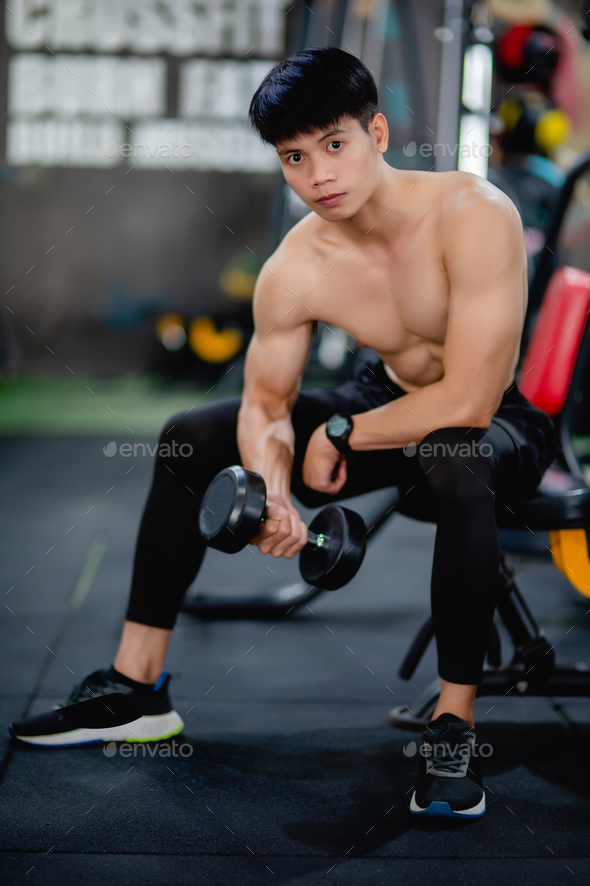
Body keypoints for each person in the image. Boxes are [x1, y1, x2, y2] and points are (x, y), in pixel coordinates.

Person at [10, 47, 560, 820]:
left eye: (334, 145)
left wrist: (340, 432)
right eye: (295, 158)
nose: (319, 175)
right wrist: (272, 494)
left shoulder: (474, 215)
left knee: (453, 455)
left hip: (496, 423)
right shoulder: (298, 263)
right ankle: (138, 688)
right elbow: (266, 406)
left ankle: (453, 725)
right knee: (187, 435)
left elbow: (467, 398)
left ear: (376, 130)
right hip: (382, 402)